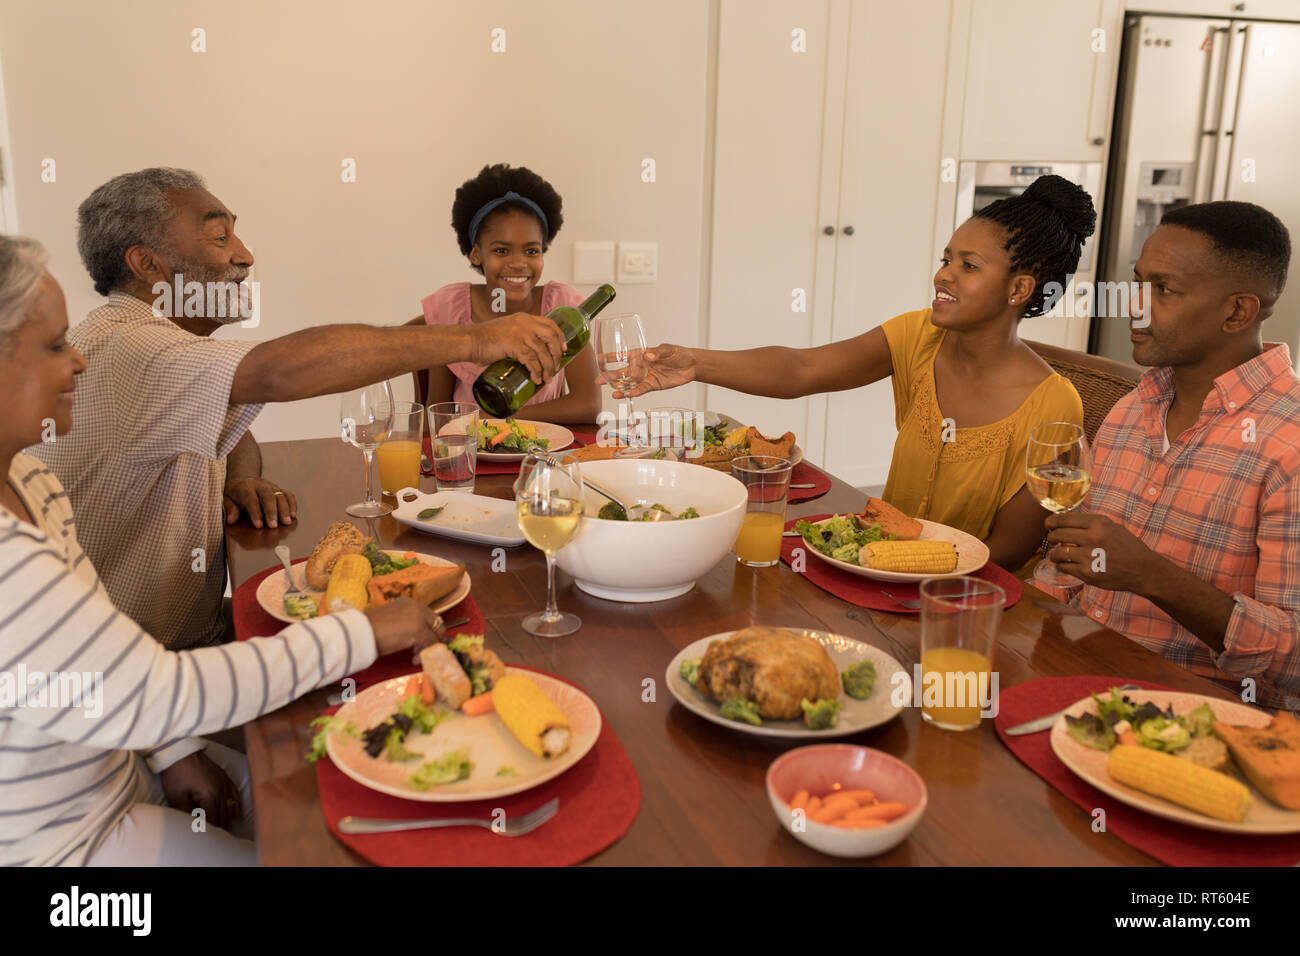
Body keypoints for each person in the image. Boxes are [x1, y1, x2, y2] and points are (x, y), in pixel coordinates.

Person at [0, 236, 444, 865]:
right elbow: (156, 693)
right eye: (52, 346)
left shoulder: (29, 481)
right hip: (66, 844)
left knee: (337, 794)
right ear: (146, 262)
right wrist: (364, 633)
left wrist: (175, 750)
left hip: (120, 764)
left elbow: (110, 655)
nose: (77, 362)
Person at [30, 167, 565, 650]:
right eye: (220, 236)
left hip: (186, 639)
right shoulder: (135, 349)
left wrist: (239, 478)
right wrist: (473, 341)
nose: (245, 255)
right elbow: (280, 370)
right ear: (148, 264)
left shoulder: (161, 348)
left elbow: (228, 421)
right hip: (137, 676)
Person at [605, 175, 1091, 572]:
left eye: (968, 266)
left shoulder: (1053, 403)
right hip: (870, 571)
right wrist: (695, 363)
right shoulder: (919, 337)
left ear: (1019, 289)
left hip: (968, 600)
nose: (944, 275)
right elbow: (803, 368)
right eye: (946, 259)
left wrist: (912, 572)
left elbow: (1012, 547)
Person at [1044, 201, 1300, 711]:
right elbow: (1066, 575)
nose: (1135, 305)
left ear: (1237, 311)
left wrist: (1153, 576)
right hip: (1078, 679)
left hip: (1198, 726)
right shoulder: (1131, 407)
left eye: (1164, 290)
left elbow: (1294, 665)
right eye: (1137, 282)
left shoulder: (1288, 444)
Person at [411, 163, 600, 424]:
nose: (518, 263)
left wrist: (502, 416)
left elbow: (589, 405)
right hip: (473, 458)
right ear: (476, 253)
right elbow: (437, 412)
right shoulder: (450, 310)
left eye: (531, 251)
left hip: (541, 457)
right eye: (501, 250)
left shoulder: (562, 307)